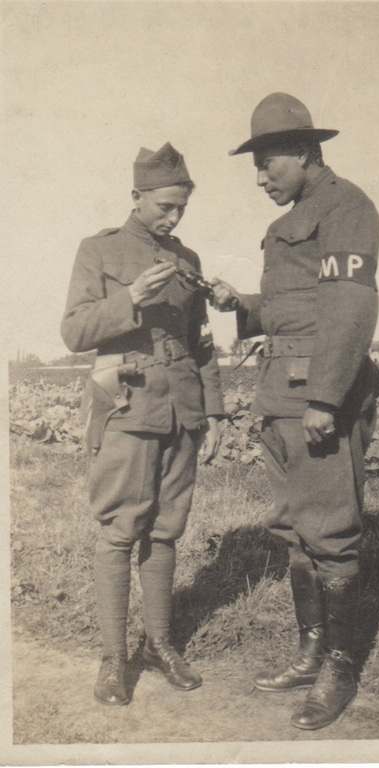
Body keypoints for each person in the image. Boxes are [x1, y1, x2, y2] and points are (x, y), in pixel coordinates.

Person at [211, 93, 379, 730]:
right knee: (294, 526)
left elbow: (348, 308)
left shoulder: (346, 207)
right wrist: (244, 304)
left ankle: (341, 666)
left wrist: (325, 398)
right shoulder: (303, 211)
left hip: (316, 392)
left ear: (306, 152)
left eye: (266, 164)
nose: (260, 178)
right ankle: (310, 654)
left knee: (331, 530)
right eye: (255, 166)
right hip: (280, 389)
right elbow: (296, 301)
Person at [61, 143, 224, 706]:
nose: (173, 217)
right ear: (136, 197)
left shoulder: (188, 259)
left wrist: (215, 410)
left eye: (180, 208)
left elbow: (201, 343)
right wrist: (129, 297)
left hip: (182, 412)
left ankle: (160, 644)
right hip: (127, 409)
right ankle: (113, 660)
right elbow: (75, 332)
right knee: (119, 533)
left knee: (166, 529)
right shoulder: (98, 250)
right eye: (163, 206)